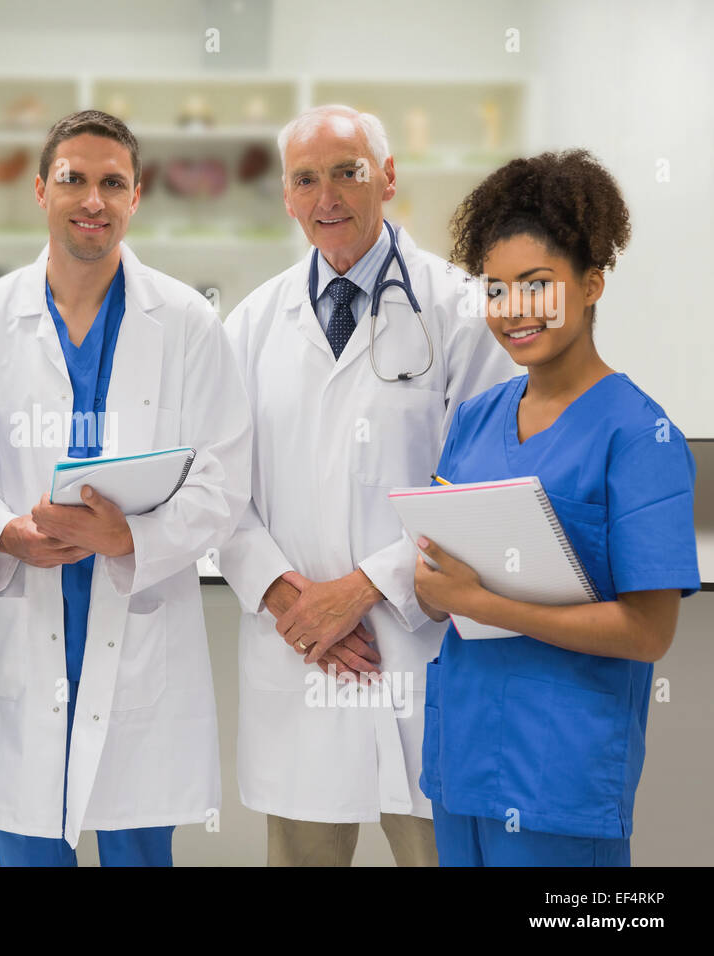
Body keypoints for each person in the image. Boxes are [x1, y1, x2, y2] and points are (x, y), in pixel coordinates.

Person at [0, 110, 251, 866]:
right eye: (74, 179)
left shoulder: (186, 323)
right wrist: (2, 530)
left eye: (113, 182)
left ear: (136, 198)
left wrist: (130, 539)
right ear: (41, 189)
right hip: (25, 613)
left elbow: (224, 477)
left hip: (138, 613)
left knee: (139, 846)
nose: (92, 200)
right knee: (32, 846)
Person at [215, 104, 514, 866]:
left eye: (347, 172)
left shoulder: (459, 311)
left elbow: (478, 482)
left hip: (422, 644)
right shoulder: (250, 327)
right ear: (285, 195)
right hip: (300, 650)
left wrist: (362, 589)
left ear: (386, 176)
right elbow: (218, 487)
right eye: (306, 178)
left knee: (436, 849)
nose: (328, 197)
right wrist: (291, 598)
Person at [413, 149, 700, 867]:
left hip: (561, 774)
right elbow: (444, 579)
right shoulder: (477, 418)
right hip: (463, 762)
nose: (513, 311)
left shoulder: (640, 435)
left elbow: (648, 632)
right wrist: (437, 592)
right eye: (496, 289)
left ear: (592, 285)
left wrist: (480, 602)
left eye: (537, 285)